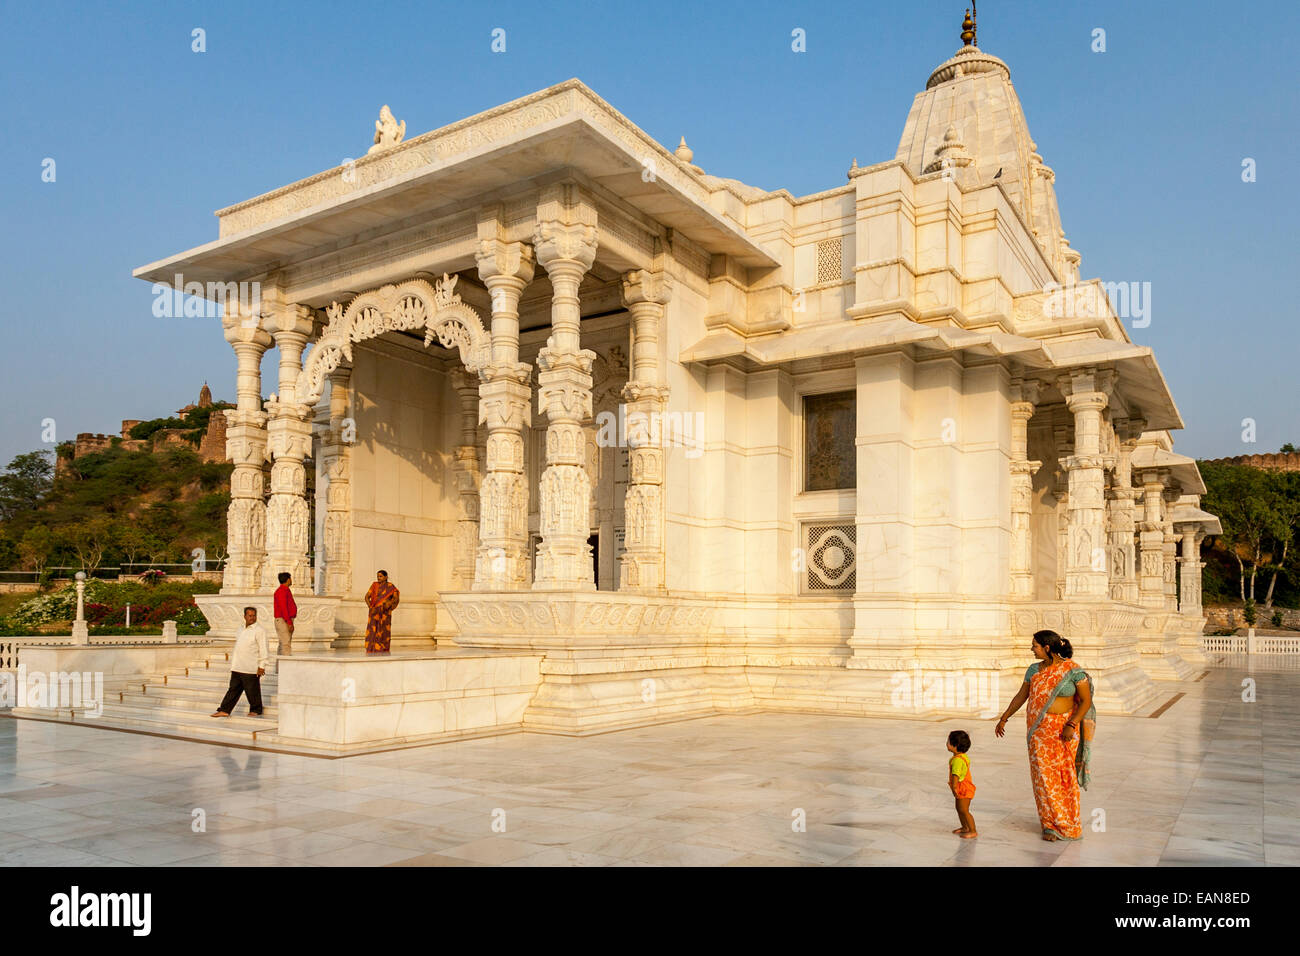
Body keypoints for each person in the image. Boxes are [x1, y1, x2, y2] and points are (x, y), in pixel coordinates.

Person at [993, 629, 1093, 841]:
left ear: (1047, 648)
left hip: (1065, 731)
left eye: (1035, 646)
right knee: (1043, 779)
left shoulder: (1073, 671)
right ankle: (1049, 824)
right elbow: (1022, 695)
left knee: (1065, 778)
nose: (1032, 649)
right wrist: (1005, 717)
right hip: (1040, 732)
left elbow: (1086, 701)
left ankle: (1068, 823)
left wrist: (1072, 724)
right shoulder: (1033, 670)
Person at [211, 607, 269, 718]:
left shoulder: (259, 630)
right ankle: (224, 710)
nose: (252, 618)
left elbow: (264, 649)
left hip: (250, 666)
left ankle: (256, 710)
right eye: (250, 615)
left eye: (254, 615)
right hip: (237, 665)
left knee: (252, 690)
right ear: (245, 616)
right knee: (233, 689)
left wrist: (262, 666)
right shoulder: (240, 629)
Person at [947, 730, 977, 839]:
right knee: (959, 809)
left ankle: (973, 830)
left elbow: (956, 774)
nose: (946, 743)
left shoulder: (957, 761)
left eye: (948, 741)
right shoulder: (963, 756)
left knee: (964, 810)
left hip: (962, 789)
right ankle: (965, 827)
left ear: (955, 745)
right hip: (963, 788)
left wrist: (954, 787)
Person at [364, 570, 400, 654]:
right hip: (374, 612)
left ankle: (383, 648)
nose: (378, 578)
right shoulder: (374, 585)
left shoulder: (390, 586)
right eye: (378, 576)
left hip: (385, 612)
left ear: (386, 577)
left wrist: (389, 603)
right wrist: (370, 607)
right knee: (372, 630)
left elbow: (396, 598)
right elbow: (366, 597)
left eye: (380, 576)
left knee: (384, 629)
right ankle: (372, 648)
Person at [273, 571, 297, 660]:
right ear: (287, 580)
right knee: (286, 643)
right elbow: (283, 608)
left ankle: (280, 668)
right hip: (283, 620)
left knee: (283, 643)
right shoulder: (281, 591)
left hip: (285, 619)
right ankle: (286, 666)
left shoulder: (285, 590)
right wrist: (289, 622)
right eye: (290, 578)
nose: (291, 580)